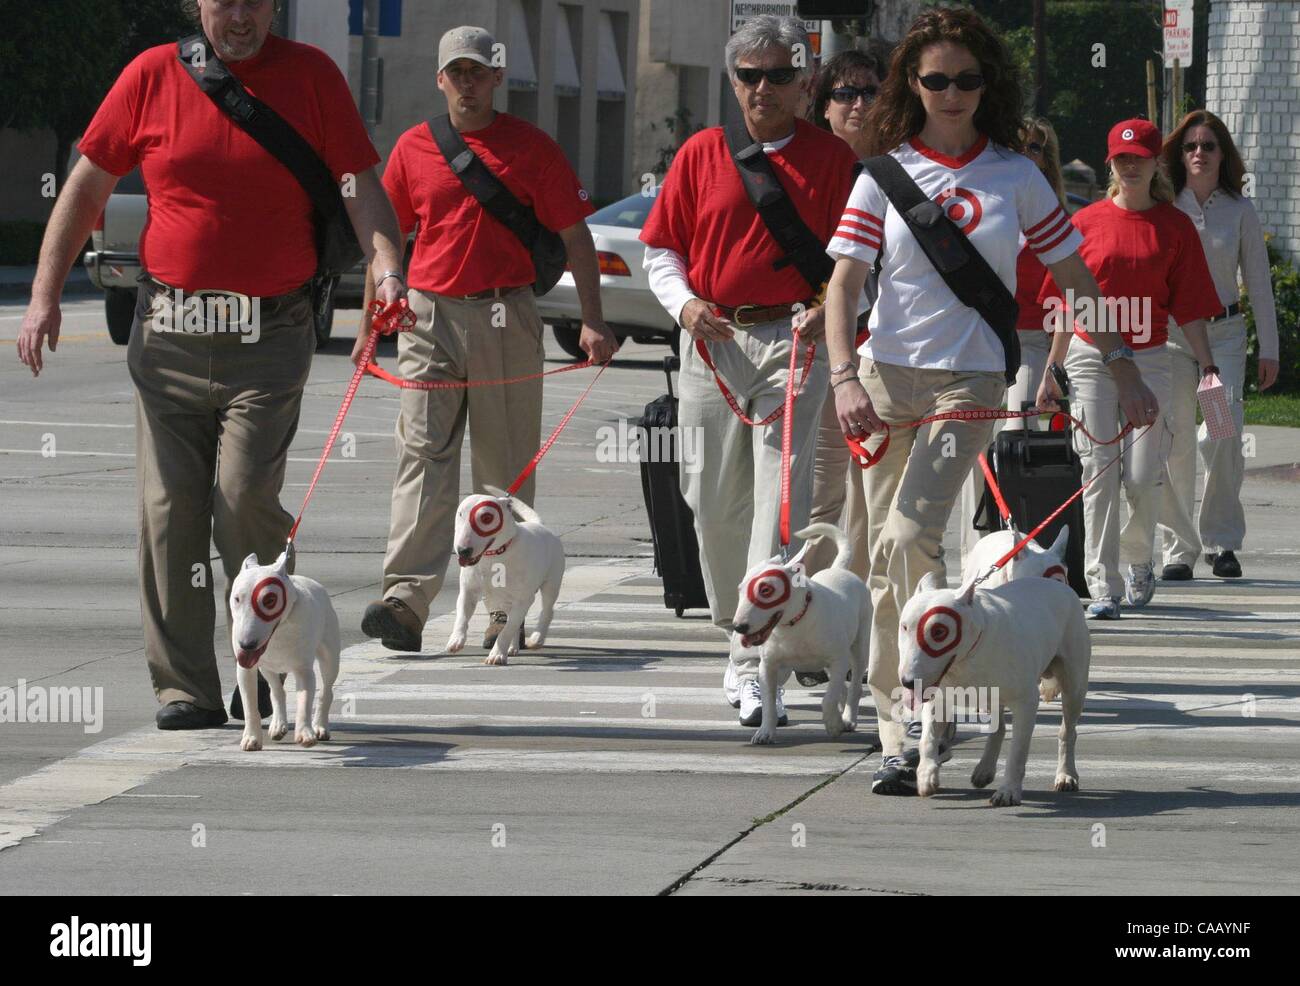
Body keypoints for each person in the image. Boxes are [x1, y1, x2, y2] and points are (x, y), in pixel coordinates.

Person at [16, 0, 406, 730]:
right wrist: (44, 296)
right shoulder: (151, 76)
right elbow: (87, 184)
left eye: (259, 2)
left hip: (272, 332)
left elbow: (358, 186)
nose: (243, 17)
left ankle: (263, 666)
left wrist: (387, 273)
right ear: (200, 3)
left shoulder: (313, 77)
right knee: (169, 514)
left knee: (243, 496)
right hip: (167, 333)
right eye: (228, 1)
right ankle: (186, 688)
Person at [822, 8, 1156, 795]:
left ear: (986, 86)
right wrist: (843, 379)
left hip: (968, 380)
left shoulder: (1016, 176)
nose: (952, 93)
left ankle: (932, 685)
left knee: (910, 534)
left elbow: (1075, 279)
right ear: (912, 83)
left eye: (967, 80)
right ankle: (901, 736)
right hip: (880, 378)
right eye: (935, 79)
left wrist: (1123, 364)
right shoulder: (881, 175)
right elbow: (842, 286)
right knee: (879, 559)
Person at [358, 26, 617, 653]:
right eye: (457, 72)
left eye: (478, 71)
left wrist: (592, 320)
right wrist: (372, 324)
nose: (467, 82)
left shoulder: (531, 147)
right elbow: (385, 238)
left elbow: (576, 236)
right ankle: (406, 601)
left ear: (497, 78)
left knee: (501, 475)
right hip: (427, 318)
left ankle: (505, 604)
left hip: (506, 314)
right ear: (440, 79)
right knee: (423, 456)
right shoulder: (415, 148)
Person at [640, 15, 858, 729]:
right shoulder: (702, 153)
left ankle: (751, 659)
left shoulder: (833, 161)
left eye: (778, 75)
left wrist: (822, 314)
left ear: (803, 82)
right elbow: (661, 251)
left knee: (779, 498)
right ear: (733, 83)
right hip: (712, 342)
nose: (763, 88)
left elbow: (858, 266)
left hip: (794, 345)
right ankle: (741, 624)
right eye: (749, 76)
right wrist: (686, 306)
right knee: (710, 497)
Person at [1038, 118, 1220, 619]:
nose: (1131, 164)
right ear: (1110, 163)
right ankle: (1103, 584)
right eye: (1122, 158)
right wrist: (1051, 370)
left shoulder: (1175, 226)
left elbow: (1191, 306)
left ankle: (1140, 558)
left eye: (1140, 156)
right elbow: (1065, 304)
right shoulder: (1084, 223)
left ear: (1156, 161)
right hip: (1090, 357)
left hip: (1150, 360)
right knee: (1098, 471)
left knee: (1142, 476)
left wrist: (1208, 367)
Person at [1155, 110, 1280, 581]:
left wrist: (1270, 347)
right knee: (1176, 441)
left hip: (1223, 337)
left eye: (1208, 145)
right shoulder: (1166, 205)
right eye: (1190, 146)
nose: (1199, 153)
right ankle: (1179, 549)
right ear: (1179, 155)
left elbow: (1259, 282)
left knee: (1224, 431)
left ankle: (1222, 540)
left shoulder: (1239, 208)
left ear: (1222, 153)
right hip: (1173, 339)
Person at [958, 114, 1071, 564]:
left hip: (1030, 345)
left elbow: (1069, 299)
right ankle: (976, 548)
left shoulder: (1055, 220)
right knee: (971, 447)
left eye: (1036, 147)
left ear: (1047, 161)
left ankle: (1016, 546)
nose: (1026, 154)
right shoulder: (986, 210)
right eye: (1017, 145)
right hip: (977, 341)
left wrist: (1054, 369)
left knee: (1013, 438)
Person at [802, 48, 884, 582]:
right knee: (820, 490)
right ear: (824, 106)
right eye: (844, 93)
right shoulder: (798, 171)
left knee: (872, 490)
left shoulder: (897, 170)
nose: (857, 104)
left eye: (869, 93)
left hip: (880, 351)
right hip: (806, 349)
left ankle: (856, 605)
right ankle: (812, 601)